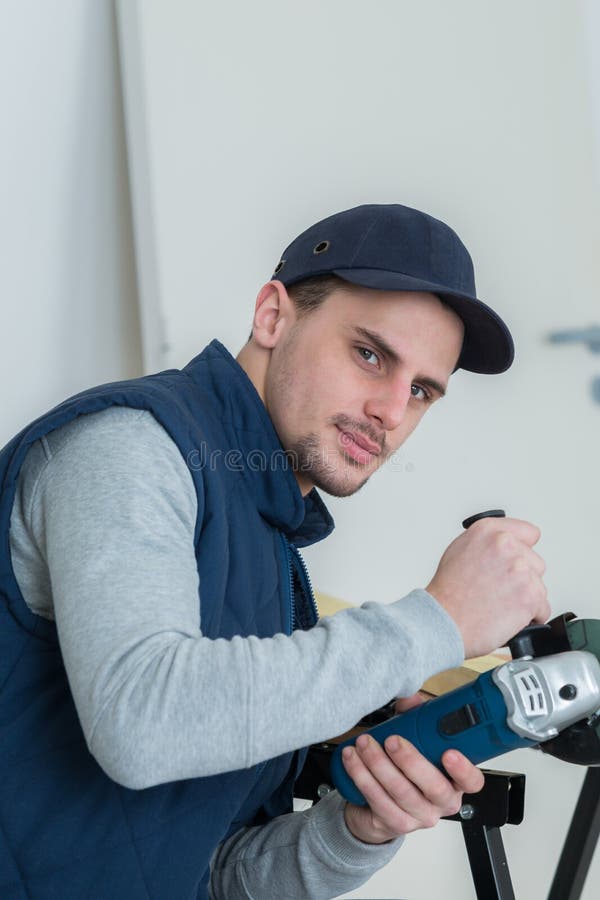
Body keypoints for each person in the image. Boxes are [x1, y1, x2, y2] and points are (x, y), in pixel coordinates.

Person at [0, 203, 549, 900]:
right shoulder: (130, 448)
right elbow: (143, 724)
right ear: (272, 316)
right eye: (370, 354)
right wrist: (436, 620)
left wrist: (356, 830)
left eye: (421, 391)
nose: (390, 409)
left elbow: (216, 875)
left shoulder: (271, 556)